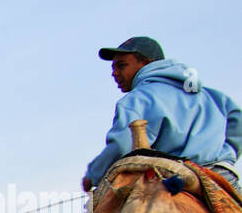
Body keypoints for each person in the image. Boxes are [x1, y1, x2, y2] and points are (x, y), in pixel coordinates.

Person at [83, 36, 242, 194]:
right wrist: (227, 156)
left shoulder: (137, 99)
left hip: (171, 178)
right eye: (113, 68)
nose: (114, 73)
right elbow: (237, 122)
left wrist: (94, 174)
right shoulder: (209, 95)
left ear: (146, 63)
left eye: (121, 66)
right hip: (220, 177)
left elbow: (123, 144)